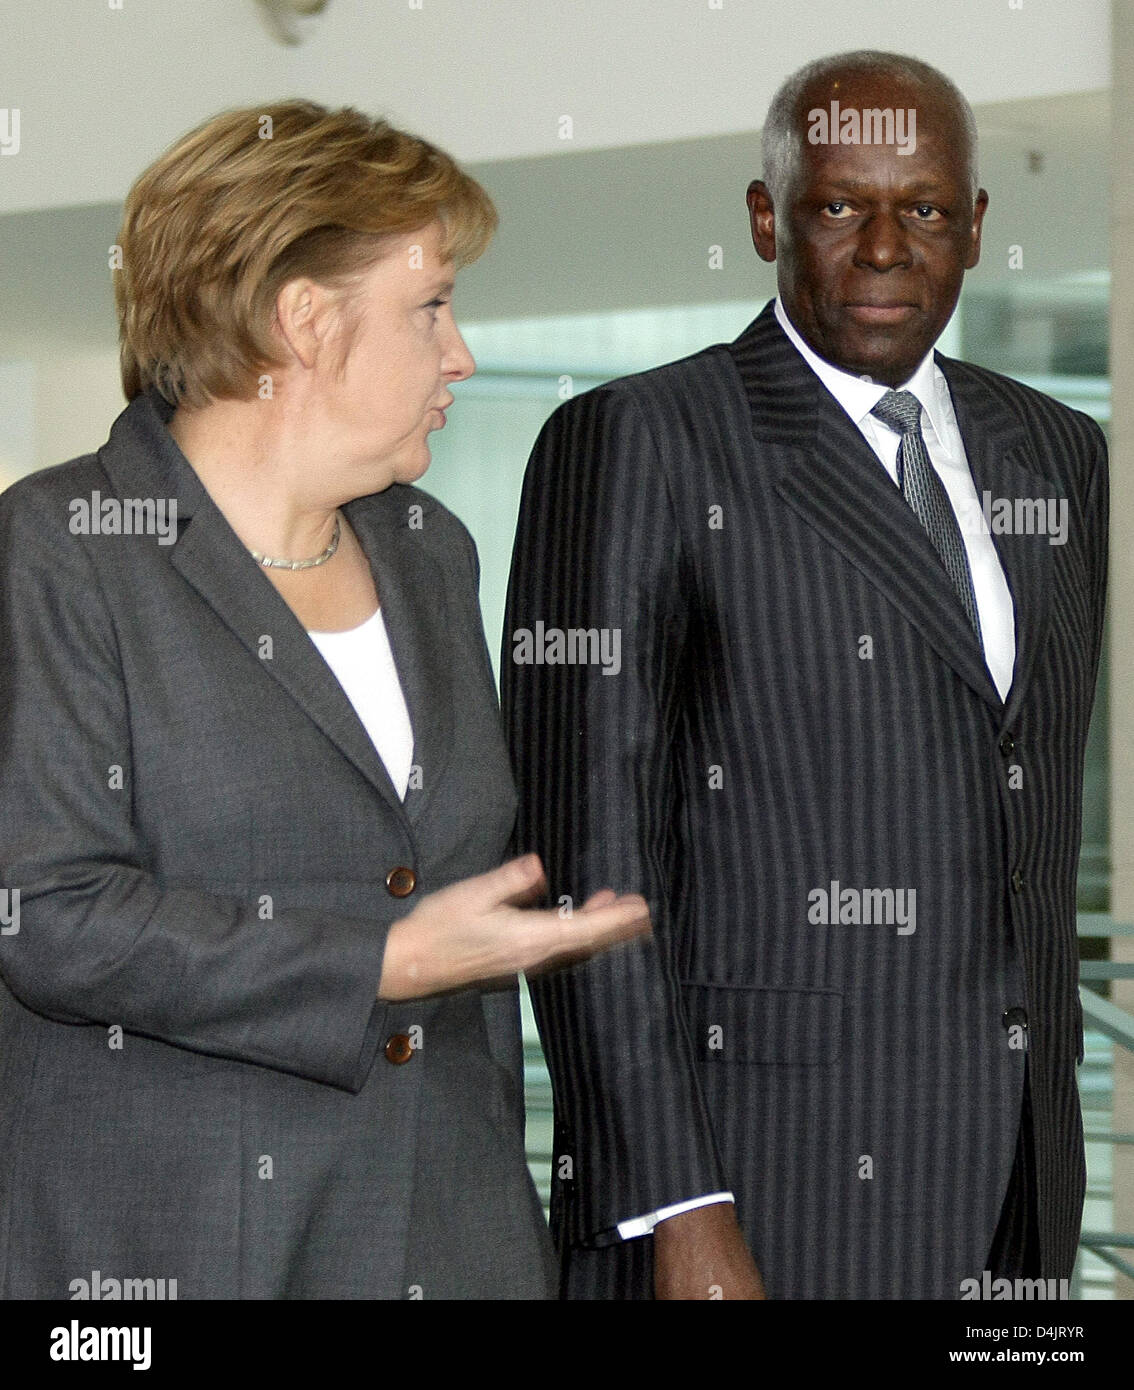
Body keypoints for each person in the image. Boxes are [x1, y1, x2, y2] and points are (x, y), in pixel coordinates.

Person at [0, 100, 649, 1300]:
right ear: (304, 319)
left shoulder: (429, 547)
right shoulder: (61, 546)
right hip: (173, 1259)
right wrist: (381, 960)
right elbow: (46, 912)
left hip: (450, 1244)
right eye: (431, 307)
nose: (459, 353)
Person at [502, 51, 1108, 1299]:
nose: (888, 246)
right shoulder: (638, 441)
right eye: (841, 206)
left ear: (977, 228)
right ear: (769, 216)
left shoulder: (1057, 453)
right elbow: (584, 862)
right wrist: (675, 1201)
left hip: (1020, 1183)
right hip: (762, 1185)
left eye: (928, 209)